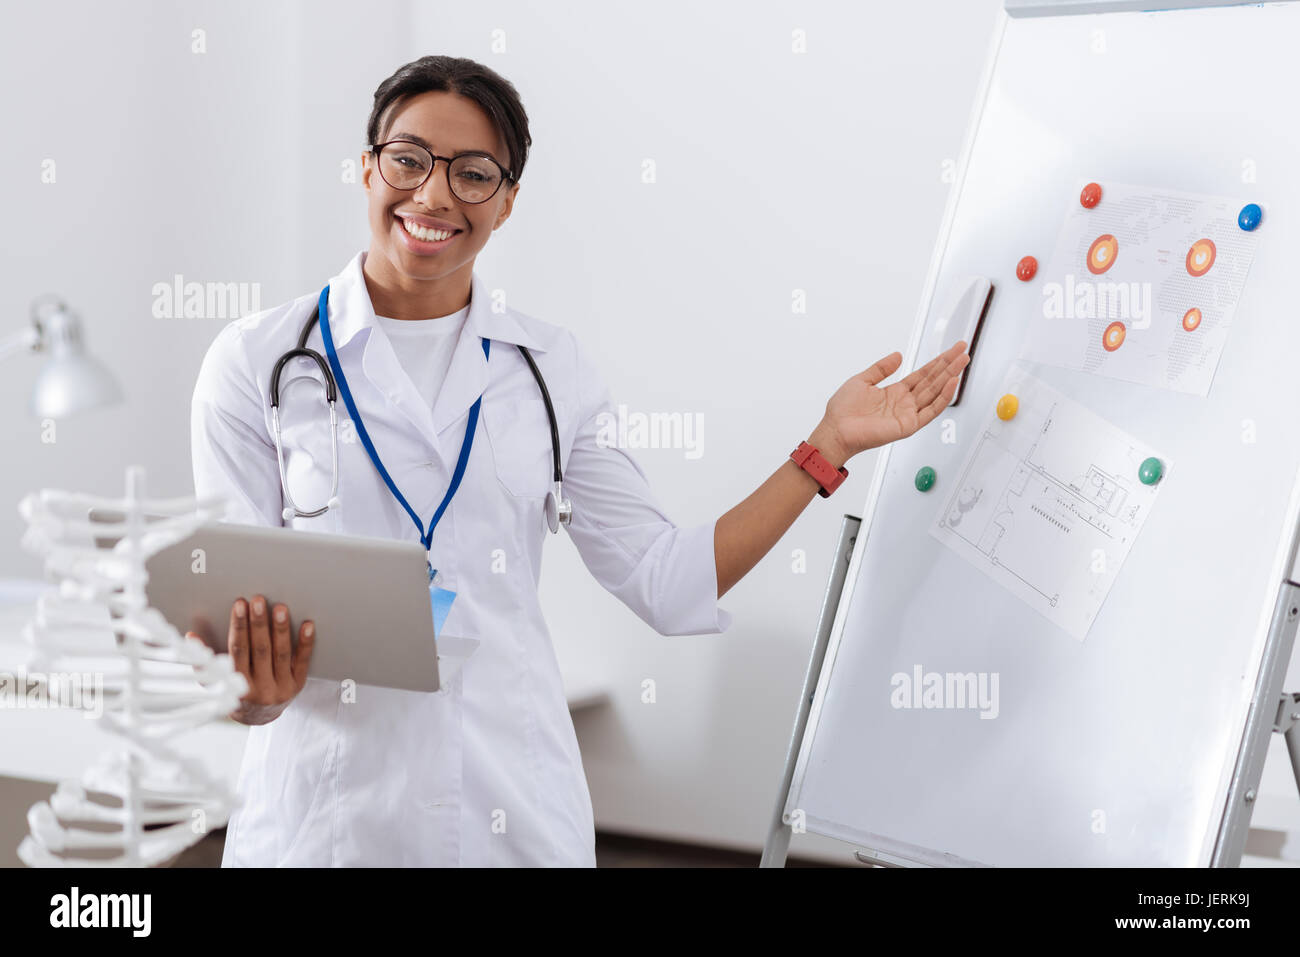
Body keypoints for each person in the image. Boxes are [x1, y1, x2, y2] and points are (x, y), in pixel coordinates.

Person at [190, 55, 969, 866]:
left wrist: (827, 447)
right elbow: (234, 618)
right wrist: (248, 697)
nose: (433, 195)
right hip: (329, 821)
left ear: (508, 201)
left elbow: (667, 582)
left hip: (515, 817)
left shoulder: (548, 367)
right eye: (410, 159)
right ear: (367, 167)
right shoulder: (255, 363)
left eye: (474, 173)